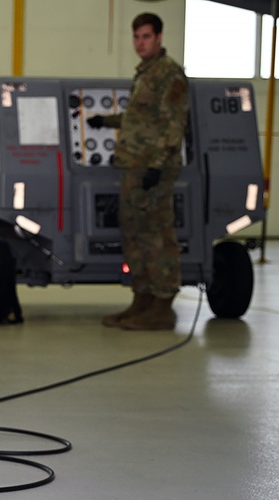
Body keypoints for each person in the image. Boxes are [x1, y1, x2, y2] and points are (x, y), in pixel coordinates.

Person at [87, 12, 189, 331]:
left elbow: (173, 124)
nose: (140, 43)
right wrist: (106, 121)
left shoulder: (169, 74)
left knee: (157, 234)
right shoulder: (145, 73)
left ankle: (162, 305)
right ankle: (142, 299)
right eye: (136, 37)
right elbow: (141, 120)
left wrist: (157, 167)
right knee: (134, 233)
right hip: (134, 166)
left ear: (159, 38)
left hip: (153, 168)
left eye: (146, 37)